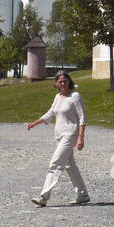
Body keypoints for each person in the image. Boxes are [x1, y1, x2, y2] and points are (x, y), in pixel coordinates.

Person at [25, 72, 89, 207]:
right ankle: (83, 194)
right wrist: (34, 123)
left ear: (69, 81)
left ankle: (44, 196)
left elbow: (82, 117)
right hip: (59, 135)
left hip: (71, 134)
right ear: (56, 84)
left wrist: (80, 137)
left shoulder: (75, 96)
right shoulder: (57, 97)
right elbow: (51, 113)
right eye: (60, 82)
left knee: (55, 163)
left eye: (65, 81)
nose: (62, 84)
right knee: (69, 165)